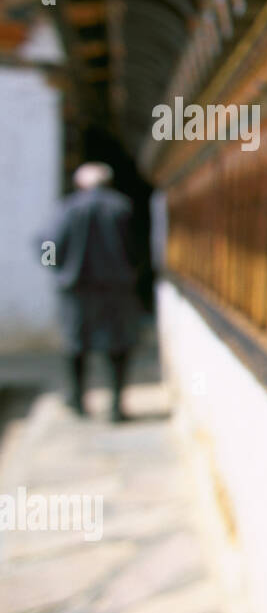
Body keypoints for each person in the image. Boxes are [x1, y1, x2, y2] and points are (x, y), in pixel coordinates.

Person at [42, 162, 140, 421]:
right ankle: (117, 405)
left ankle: (77, 399)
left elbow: (49, 244)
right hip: (116, 288)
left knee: (76, 344)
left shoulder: (68, 208)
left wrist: (57, 270)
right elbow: (137, 248)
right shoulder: (121, 207)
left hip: (77, 288)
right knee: (118, 344)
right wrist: (132, 271)